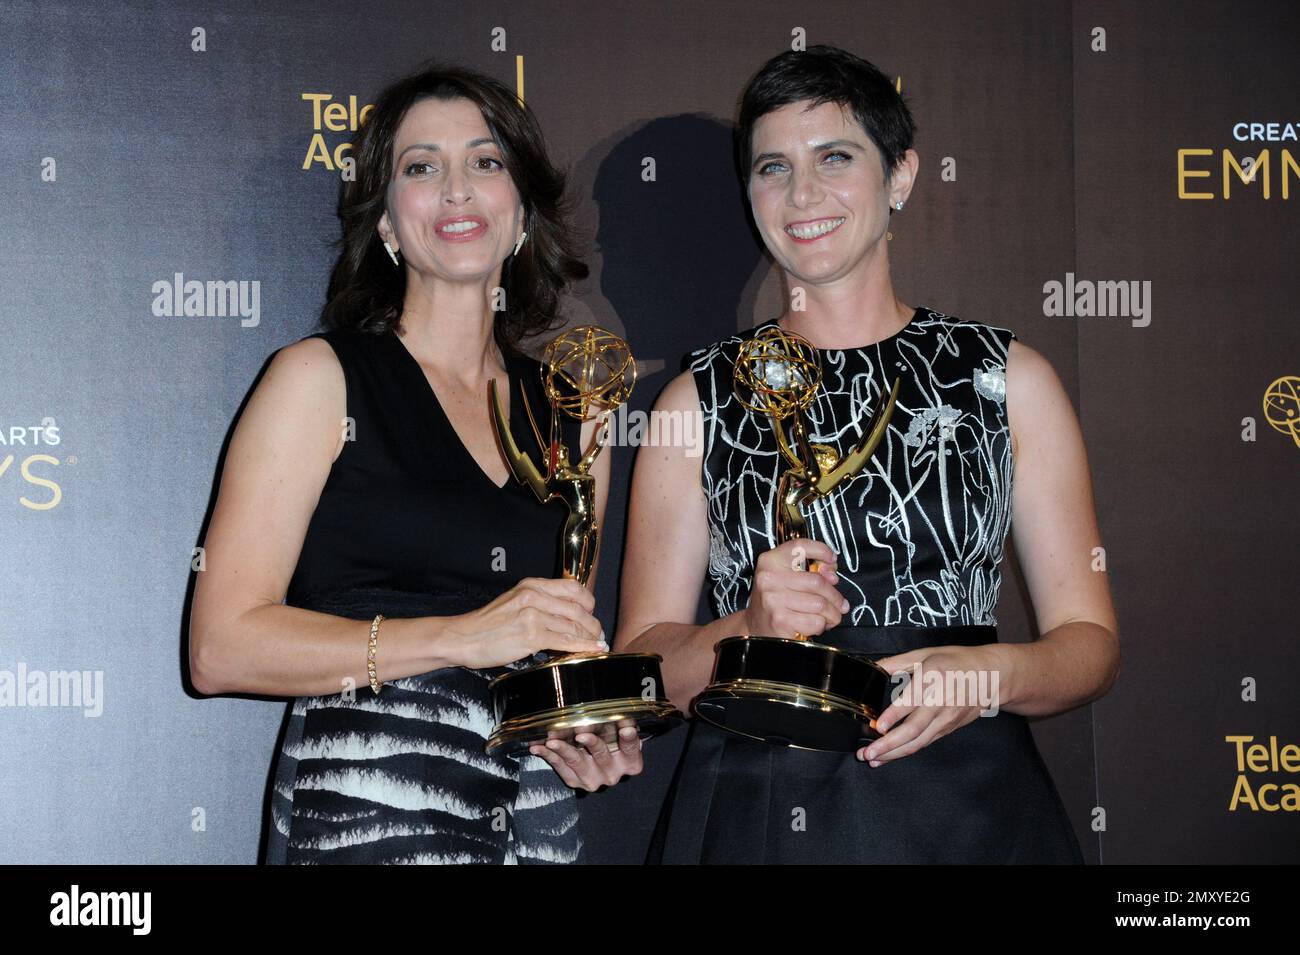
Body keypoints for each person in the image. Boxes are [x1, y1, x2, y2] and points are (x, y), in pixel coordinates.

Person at [616, 45, 1120, 863]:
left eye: (836, 158)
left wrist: (991, 674)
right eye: (773, 167)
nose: (803, 194)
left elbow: (1089, 642)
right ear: (749, 192)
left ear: (901, 177)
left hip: (966, 806)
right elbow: (644, 673)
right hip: (759, 810)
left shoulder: (1005, 379)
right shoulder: (698, 400)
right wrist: (749, 625)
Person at [189, 63, 643, 865]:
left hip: (527, 823)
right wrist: (458, 636)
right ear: (391, 223)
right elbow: (220, 648)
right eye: (422, 167)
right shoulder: (319, 379)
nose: (457, 190)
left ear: (523, 212)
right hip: (367, 812)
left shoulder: (579, 413)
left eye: (486, 161)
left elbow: (559, 653)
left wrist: (587, 733)